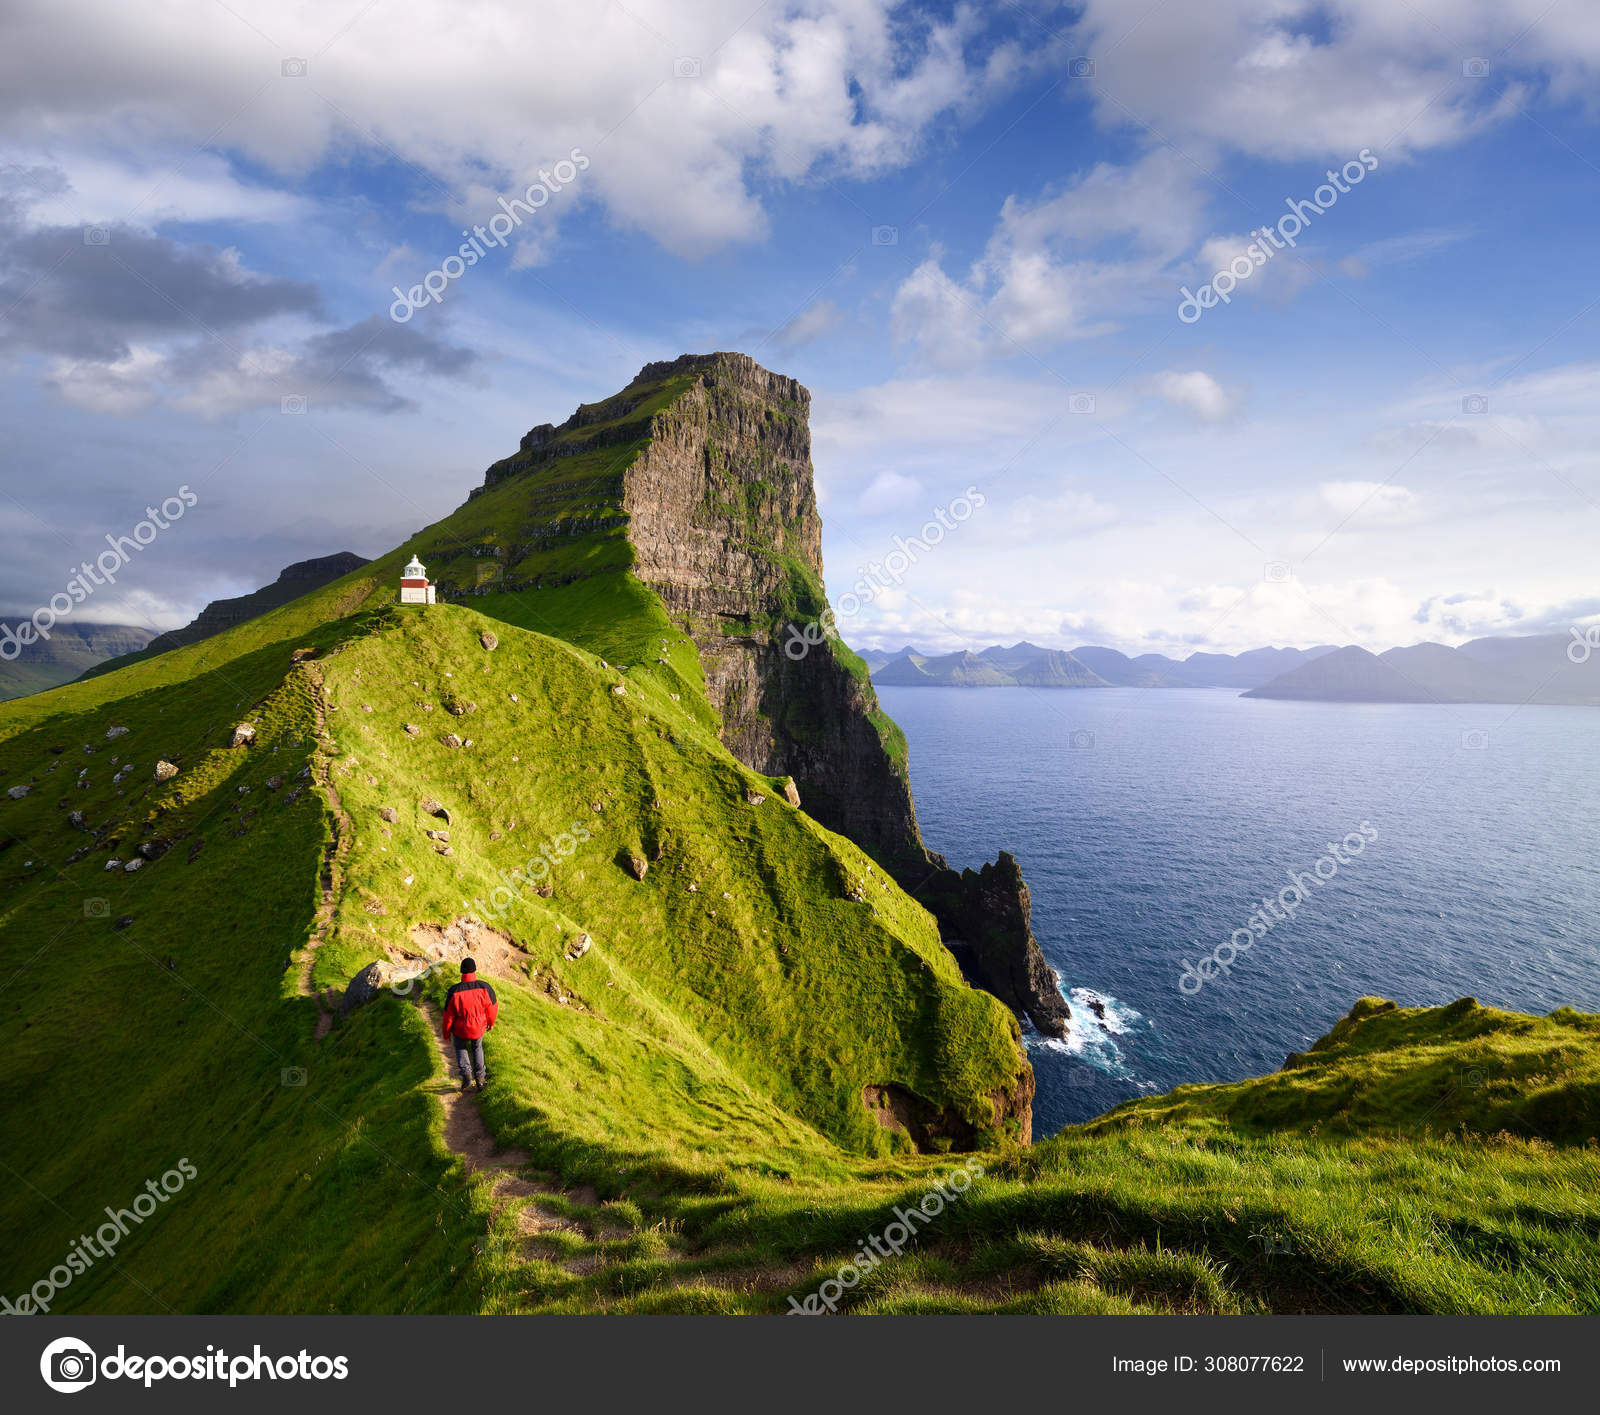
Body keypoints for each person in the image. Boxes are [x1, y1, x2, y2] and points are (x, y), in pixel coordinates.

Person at [441, 956, 498, 1093]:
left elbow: (448, 1016)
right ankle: (480, 1080)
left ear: (461, 971)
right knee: (477, 1048)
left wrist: (446, 1033)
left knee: (460, 1048)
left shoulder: (454, 991)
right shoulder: (485, 987)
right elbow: (493, 1008)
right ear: (474, 970)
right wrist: (491, 1023)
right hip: (478, 1028)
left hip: (460, 1030)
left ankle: (467, 1075)